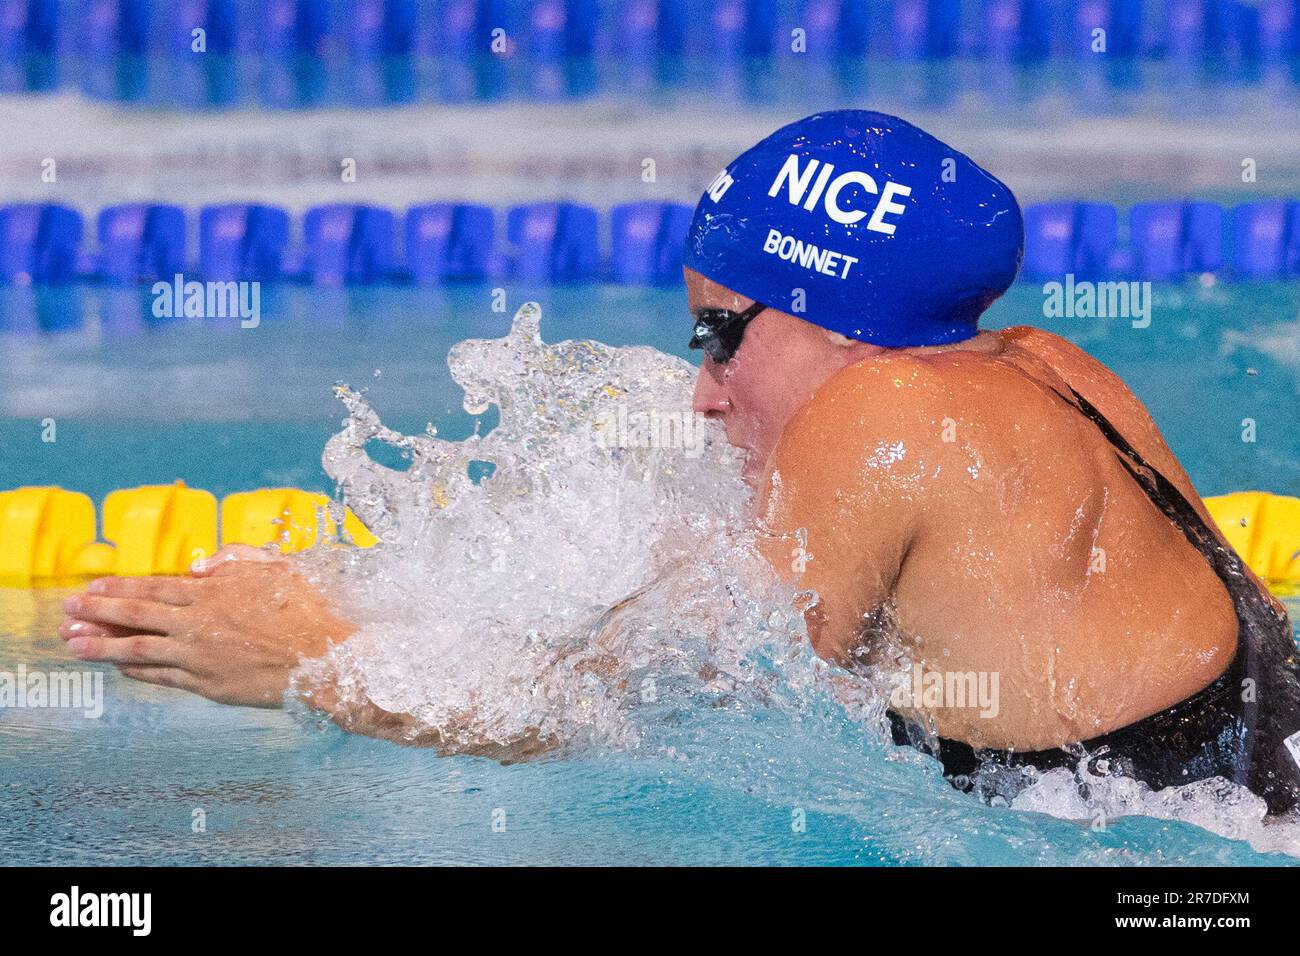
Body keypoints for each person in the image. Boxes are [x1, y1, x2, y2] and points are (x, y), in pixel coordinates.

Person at [59, 110, 1300, 814]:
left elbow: (612, 708)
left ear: (826, 312)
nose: (700, 389)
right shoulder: (1045, 366)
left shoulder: (882, 418)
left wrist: (312, 664)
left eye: (720, 329)